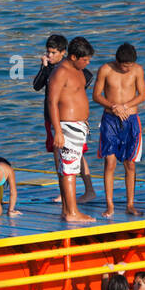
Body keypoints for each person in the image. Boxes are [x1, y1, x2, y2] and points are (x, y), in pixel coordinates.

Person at [92, 43, 145, 219]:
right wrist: (113, 107)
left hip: (131, 119)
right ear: (117, 61)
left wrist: (125, 106)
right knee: (110, 163)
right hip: (110, 120)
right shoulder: (105, 69)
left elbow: (142, 95)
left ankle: (130, 204)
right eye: (124, 66)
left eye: (129, 66)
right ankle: (110, 204)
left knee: (130, 163)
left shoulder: (137, 70)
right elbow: (97, 95)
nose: (127, 69)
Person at [46, 36, 95, 222]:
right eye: (85, 60)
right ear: (73, 57)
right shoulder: (61, 72)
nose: (88, 63)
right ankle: (72, 212)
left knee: (67, 167)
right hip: (67, 126)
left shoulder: (78, 70)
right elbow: (52, 102)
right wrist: (57, 130)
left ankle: (67, 209)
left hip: (78, 125)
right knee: (69, 170)